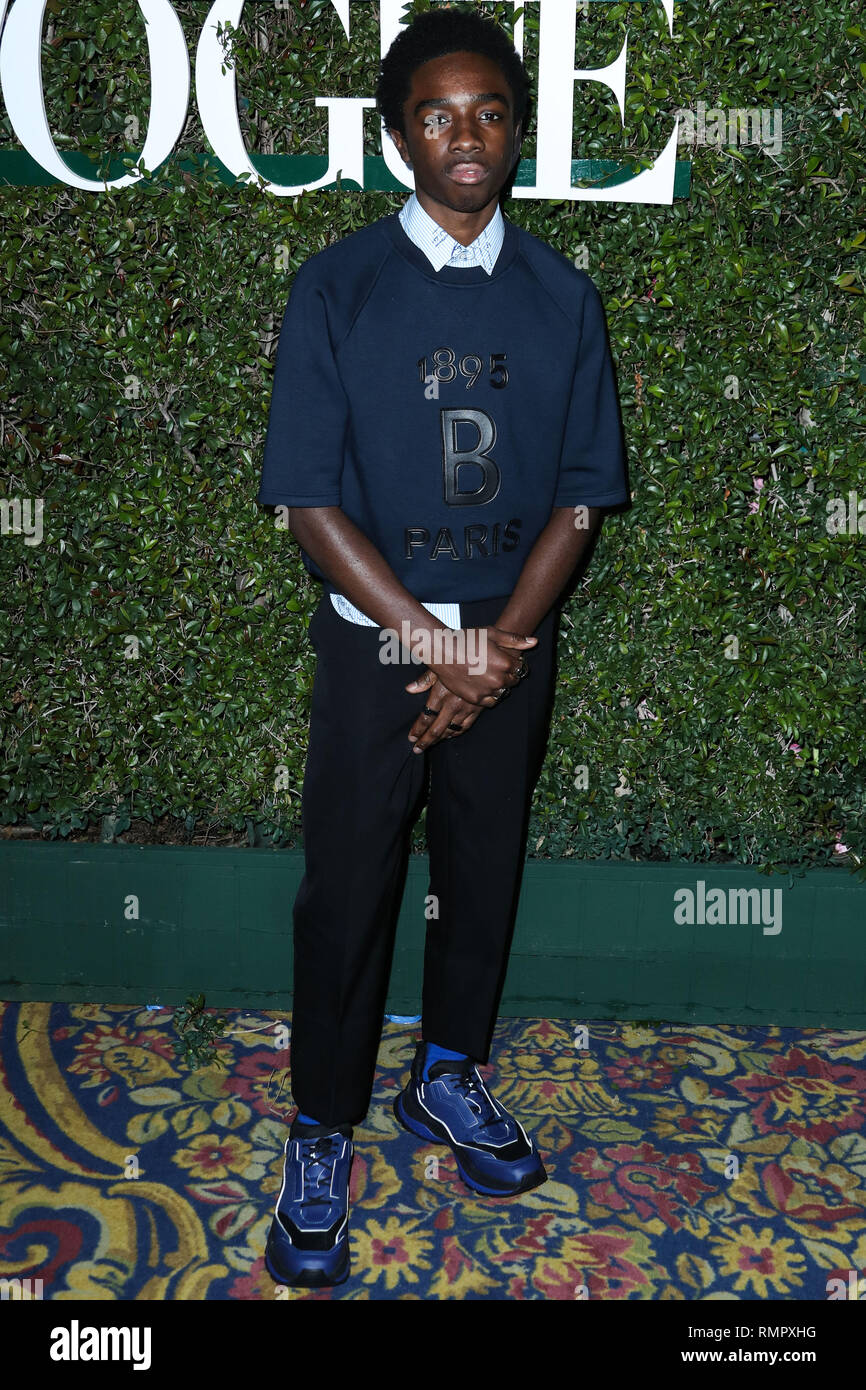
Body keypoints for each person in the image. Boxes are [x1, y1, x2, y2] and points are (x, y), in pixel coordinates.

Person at [256, 6, 629, 1288]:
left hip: (509, 653)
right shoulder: (337, 284)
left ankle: (449, 1076)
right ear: (395, 134)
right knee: (347, 892)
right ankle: (321, 1126)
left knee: (482, 876)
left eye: (486, 113)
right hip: (379, 651)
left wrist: (499, 647)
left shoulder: (560, 296)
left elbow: (582, 495)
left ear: (515, 128)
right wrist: (433, 642)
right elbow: (307, 495)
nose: (463, 137)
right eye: (435, 114)